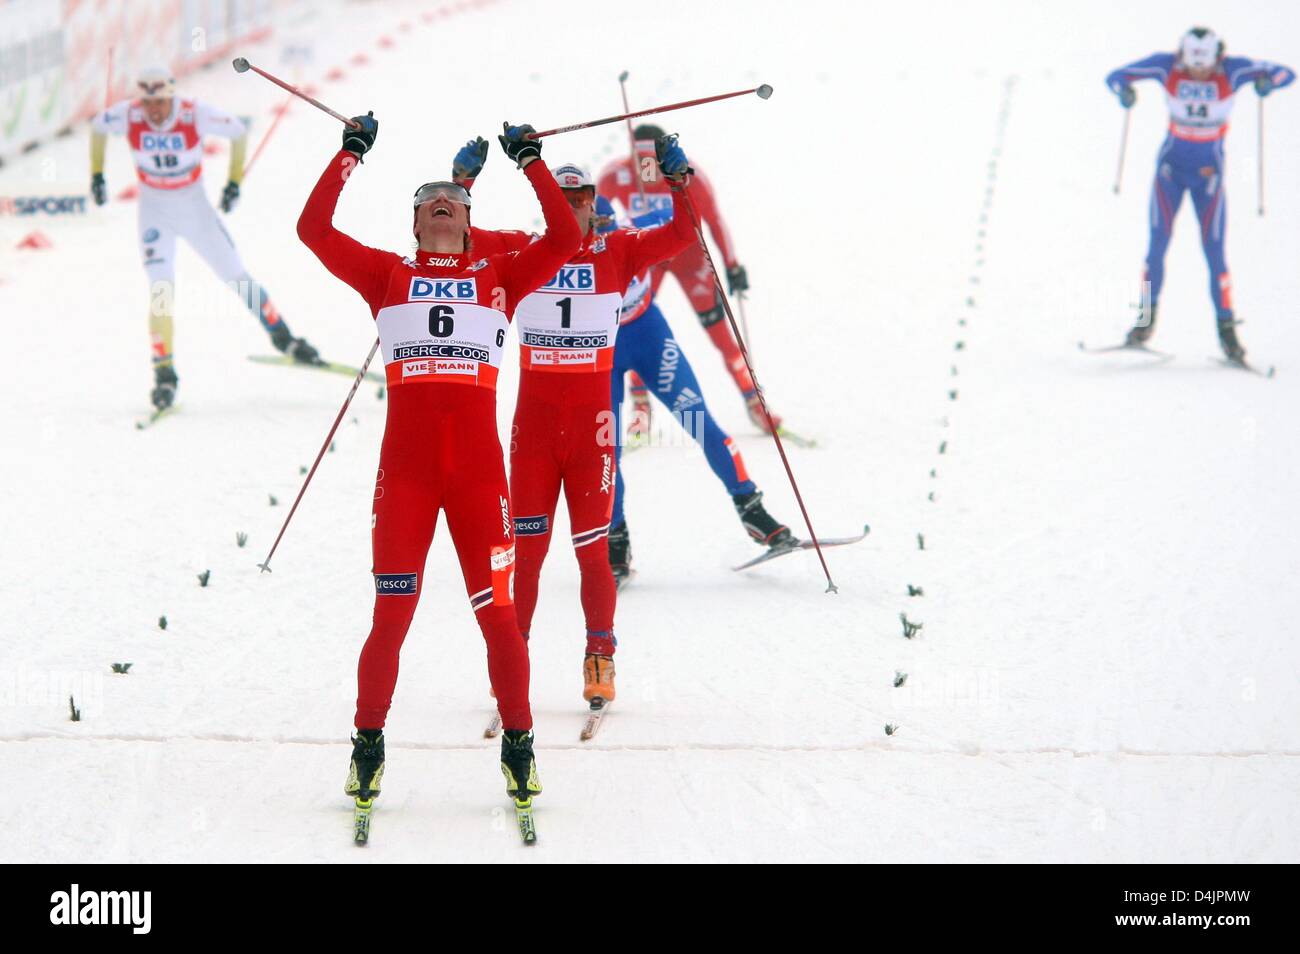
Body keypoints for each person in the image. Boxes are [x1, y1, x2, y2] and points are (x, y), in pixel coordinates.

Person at [296, 113, 581, 812]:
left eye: (451, 201)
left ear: (469, 219)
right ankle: (368, 745)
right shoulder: (386, 272)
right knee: (391, 615)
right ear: (416, 224)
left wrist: (531, 162)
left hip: (481, 479)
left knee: (501, 618)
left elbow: (568, 238)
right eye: (429, 203)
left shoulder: (503, 271)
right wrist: (348, 156)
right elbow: (313, 232)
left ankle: (519, 747)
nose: (442, 205)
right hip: (409, 480)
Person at [451, 136, 697, 706]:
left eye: (582, 199)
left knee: (594, 553)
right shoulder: (521, 251)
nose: (574, 208)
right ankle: (515, 659)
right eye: (562, 201)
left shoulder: (619, 250)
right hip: (533, 433)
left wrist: (677, 181)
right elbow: (458, 242)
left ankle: (600, 655)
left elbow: (684, 237)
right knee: (526, 556)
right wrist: (461, 184)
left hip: (592, 434)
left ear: (594, 202)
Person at [91, 65, 324, 411]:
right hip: (154, 212)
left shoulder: (193, 113)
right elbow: (97, 127)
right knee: (160, 289)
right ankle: (164, 375)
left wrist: (234, 182)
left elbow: (237, 133)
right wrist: (98, 176)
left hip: (194, 209)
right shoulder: (129, 114)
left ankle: (283, 336)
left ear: (172, 96)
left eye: (161, 103)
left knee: (236, 276)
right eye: (148, 103)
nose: (154, 111)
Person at [594, 194, 794, 588]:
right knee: (607, 447)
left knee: (700, 421)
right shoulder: (564, 250)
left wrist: (676, 179)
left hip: (649, 335)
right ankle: (616, 542)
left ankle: (753, 512)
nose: (599, 232)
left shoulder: (628, 236)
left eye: (604, 223)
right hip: (603, 348)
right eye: (591, 223)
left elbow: (683, 218)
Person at [1106, 28, 1293, 362]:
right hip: (1170, 173)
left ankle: (1228, 334)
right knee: (1156, 247)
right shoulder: (1167, 66)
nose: (1198, 73)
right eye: (1192, 67)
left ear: (1216, 58)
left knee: (1215, 254)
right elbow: (1117, 76)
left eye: (1204, 67)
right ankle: (1144, 323)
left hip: (1209, 178)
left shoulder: (1233, 70)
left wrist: (1269, 84)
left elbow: (1285, 72)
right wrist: (1124, 92)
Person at [597, 126, 782, 433]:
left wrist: (732, 264)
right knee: (631, 322)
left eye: (651, 159)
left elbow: (714, 219)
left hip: (690, 257)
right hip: (651, 255)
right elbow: (599, 221)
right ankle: (641, 407)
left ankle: (754, 401)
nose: (646, 168)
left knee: (718, 329)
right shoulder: (615, 175)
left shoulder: (687, 175)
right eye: (638, 158)